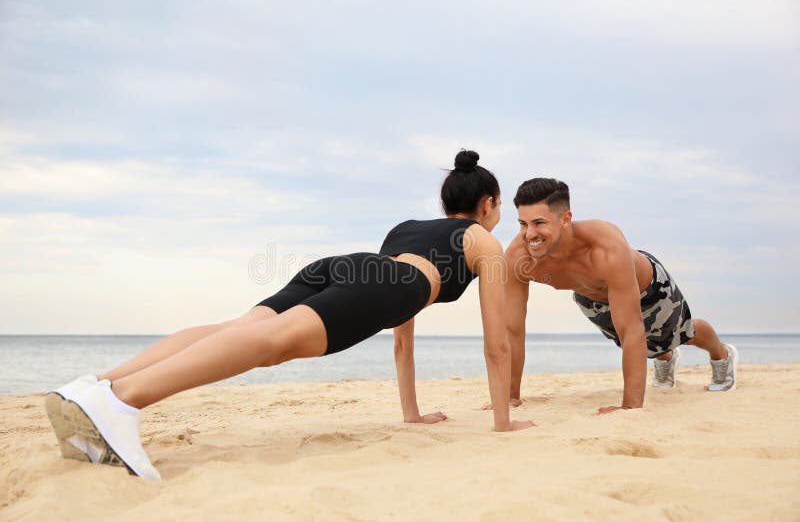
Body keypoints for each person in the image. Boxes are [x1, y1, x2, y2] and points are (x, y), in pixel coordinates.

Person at [45, 150, 534, 481]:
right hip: (391, 285)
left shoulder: (406, 227)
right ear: (488, 204)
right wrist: (503, 424)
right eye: (499, 209)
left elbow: (401, 336)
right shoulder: (483, 242)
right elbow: (497, 342)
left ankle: (98, 386)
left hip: (347, 265)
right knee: (272, 344)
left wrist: (411, 414)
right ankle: (124, 402)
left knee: (238, 328)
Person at [503, 178, 738, 413]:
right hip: (591, 298)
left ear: (566, 219)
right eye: (523, 224)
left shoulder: (605, 248)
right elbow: (513, 330)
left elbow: (632, 330)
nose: (529, 234)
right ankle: (665, 356)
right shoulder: (517, 259)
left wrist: (629, 407)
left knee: (682, 333)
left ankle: (722, 355)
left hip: (649, 287)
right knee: (646, 344)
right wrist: (511, 397)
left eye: (539, 223)